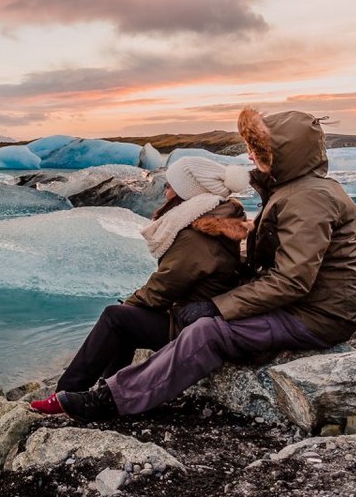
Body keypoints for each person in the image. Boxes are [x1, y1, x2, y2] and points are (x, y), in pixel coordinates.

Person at [34, 107, 356, 422]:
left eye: (259, 150)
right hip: (305, 306)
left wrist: (216, 307)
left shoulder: (308, 197)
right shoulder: (293, 191)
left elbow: (292, 280)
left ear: (285, 152)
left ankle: (112, 401)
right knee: (161, 321)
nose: (250, 156)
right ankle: (92, 390)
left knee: (208, 332)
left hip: (317, 317)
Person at [31, 154, 253, 412]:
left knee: (116, 317)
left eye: (171, 185)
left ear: (188, 193)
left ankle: (65, 394)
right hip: (194, 315)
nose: (166, 189)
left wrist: (131, 303)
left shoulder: (197, 235)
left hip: (190, 326)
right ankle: (107, 391)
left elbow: (164, 287)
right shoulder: (215, 221)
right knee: (127, 316)